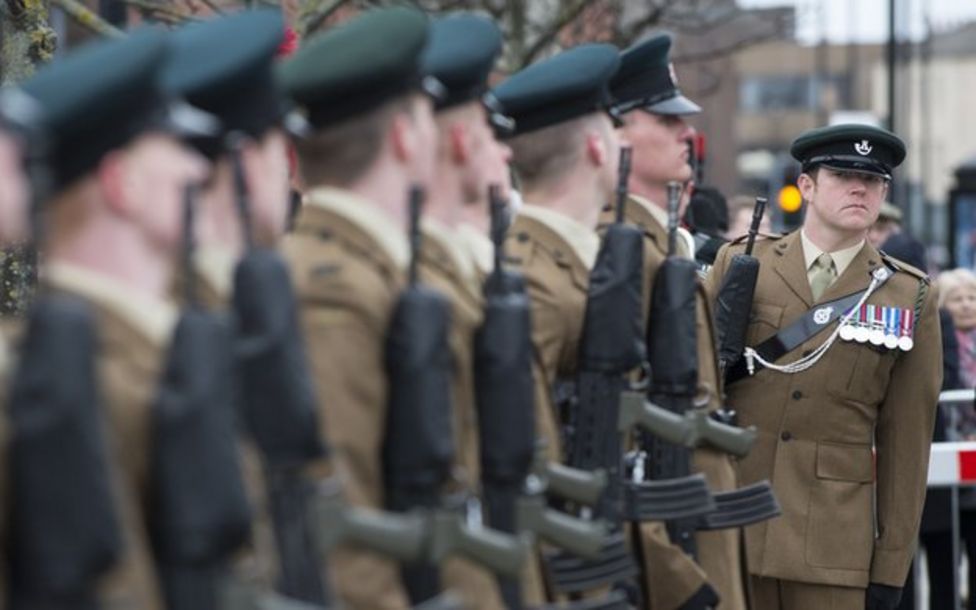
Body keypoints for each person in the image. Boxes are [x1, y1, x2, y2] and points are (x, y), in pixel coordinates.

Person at [706, 124, 942, 610]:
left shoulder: (909, 295)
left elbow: (906, 444)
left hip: (833, 549)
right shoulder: (744, 264)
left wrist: (891, 566)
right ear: (806, 186)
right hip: (729, 527)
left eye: (874, 180)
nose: (860, 188)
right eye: (841, 174)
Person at [16, 28, 212, 607]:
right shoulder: (55, 382)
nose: (199, 171)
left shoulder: (160, 349)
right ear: (121, 182)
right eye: (177, 149)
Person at [277, 8, 441, 609]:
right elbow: (341, 536)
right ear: (403, 136)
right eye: (428, 115)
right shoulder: (334, 286)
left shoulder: (365, 271)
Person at [606, 33, 747, 610]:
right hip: (672, 546)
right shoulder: (619, 251)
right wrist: (677, 577)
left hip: (697, 518)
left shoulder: (661, 245)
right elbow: (608, 439)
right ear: (614, 133)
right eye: (664, 121)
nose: (686, 133)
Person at [492, 41, 627, 604]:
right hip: (569, 572)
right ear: (597, 147)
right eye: (614, 129)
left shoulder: (581, 261)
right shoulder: (533, 278)